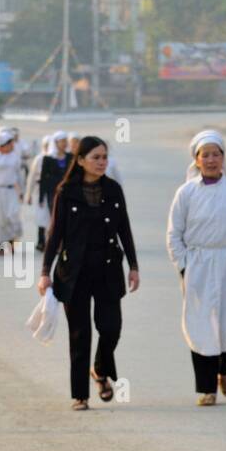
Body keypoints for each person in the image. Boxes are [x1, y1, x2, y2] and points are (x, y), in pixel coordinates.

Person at [37, 136, 140, 411]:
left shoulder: (114, 190)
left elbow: (124, 229)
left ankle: (100, 369)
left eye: (104, 157)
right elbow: (55, 232)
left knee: (111, 328)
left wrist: (133, 266)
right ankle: (80, 395)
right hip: (74, 272)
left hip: (107, 269)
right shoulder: (66, 191)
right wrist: (45, 271)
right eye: (96, 157)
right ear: (80, 160)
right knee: (80, 334)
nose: (101, 162)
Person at [166, 129, 226, 406]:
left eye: (216, 154)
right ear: (196, 160)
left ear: (223, 157)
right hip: (197, 264)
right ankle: (207, 390)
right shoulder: (185, 193)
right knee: (201, 327)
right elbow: (174, 233)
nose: (211, 160)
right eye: (205, 155)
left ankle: (223, 367)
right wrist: (183, 266)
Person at [24, 131, 71, 247]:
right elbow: (38, 178)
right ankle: (47, 242)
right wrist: (33, 195)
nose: (64, 144)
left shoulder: (70, 157)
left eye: (65, 141)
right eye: (62, 141)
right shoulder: (45, 159)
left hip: (67, 194)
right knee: (48, 218)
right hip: (50, 193)